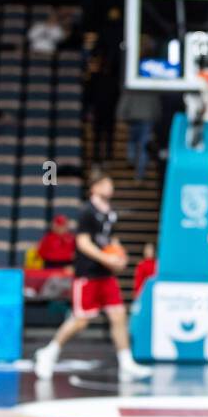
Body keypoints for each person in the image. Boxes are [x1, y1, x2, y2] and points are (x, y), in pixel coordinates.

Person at [33, 174, 152, 381]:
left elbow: (112, 240)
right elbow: (83, 243)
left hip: (106, 275)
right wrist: (106, 258)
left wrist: (120, 256)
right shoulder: (87, 210)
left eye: (111, 183)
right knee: (81, 321)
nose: (110, 186)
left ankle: (126, 363)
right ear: (94, 188)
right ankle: (49, 352)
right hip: (87, 273)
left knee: (118, 315)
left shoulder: (111, 213)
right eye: (105, 183)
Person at [117, 88, 161, 181]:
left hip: (136, 118)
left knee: (135, 142)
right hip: (145, 119)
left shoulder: (133, 88)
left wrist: (122, 115)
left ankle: (133, 162)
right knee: (142, 146)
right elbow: (157, 106)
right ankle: (138, 171)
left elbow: (124, 102)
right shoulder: (150, 89)